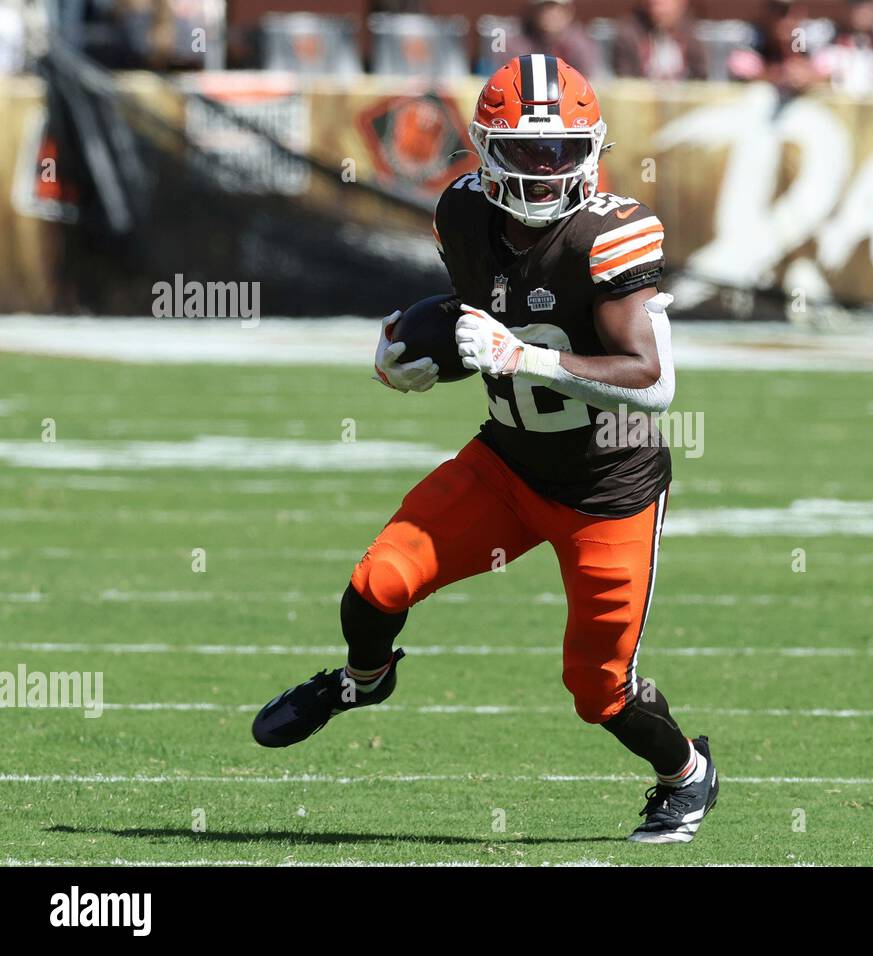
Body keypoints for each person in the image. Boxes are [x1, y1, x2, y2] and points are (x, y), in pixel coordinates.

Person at [252, 54, 720, 846]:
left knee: (598, 692)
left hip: (609, 485)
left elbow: (653, 380)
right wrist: (414, 346)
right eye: (528, 153)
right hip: (508, 463)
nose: (546, 171)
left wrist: (519, 358)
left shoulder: (608, 234)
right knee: (376, 584)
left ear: (592, 150)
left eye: (563, 151)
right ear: (485, 151)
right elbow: (480, 308)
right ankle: (363, 683)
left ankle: (687, 775)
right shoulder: (463, 212)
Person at [728, 0, 828, 96]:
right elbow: (742, 70)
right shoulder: (750, 39)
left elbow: (828, 72)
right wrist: (776, 77)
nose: (785, 19)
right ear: (766, 13)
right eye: (778, 11)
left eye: (791, 11)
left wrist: (809, 77)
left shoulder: (811, 39)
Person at [503, 0, 602, 79]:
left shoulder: (581, 44)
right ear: (533, 12)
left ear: (569, 11)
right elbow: (508, 77)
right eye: (543, 8)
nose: (549, 14)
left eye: (554, 8)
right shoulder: (518, 41)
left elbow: (591, 80)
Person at [612, 0, 708, 81]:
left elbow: (703, 80)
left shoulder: (696, 34)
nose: (657, 3)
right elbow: (626, 83)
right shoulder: (630, 33)